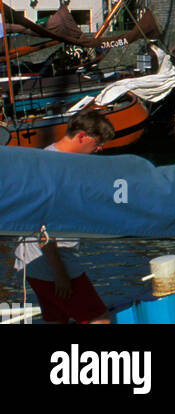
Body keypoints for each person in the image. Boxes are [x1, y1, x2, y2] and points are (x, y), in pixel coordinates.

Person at [14, 110, 116, 324]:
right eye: (98, 142)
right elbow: (42, 226)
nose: (100, 148)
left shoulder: (47, 158)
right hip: (51, 263)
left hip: (31, 263)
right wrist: (60, 274)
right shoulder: (56, 169)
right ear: (81, 136)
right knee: (99, 320)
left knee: (56, 320)